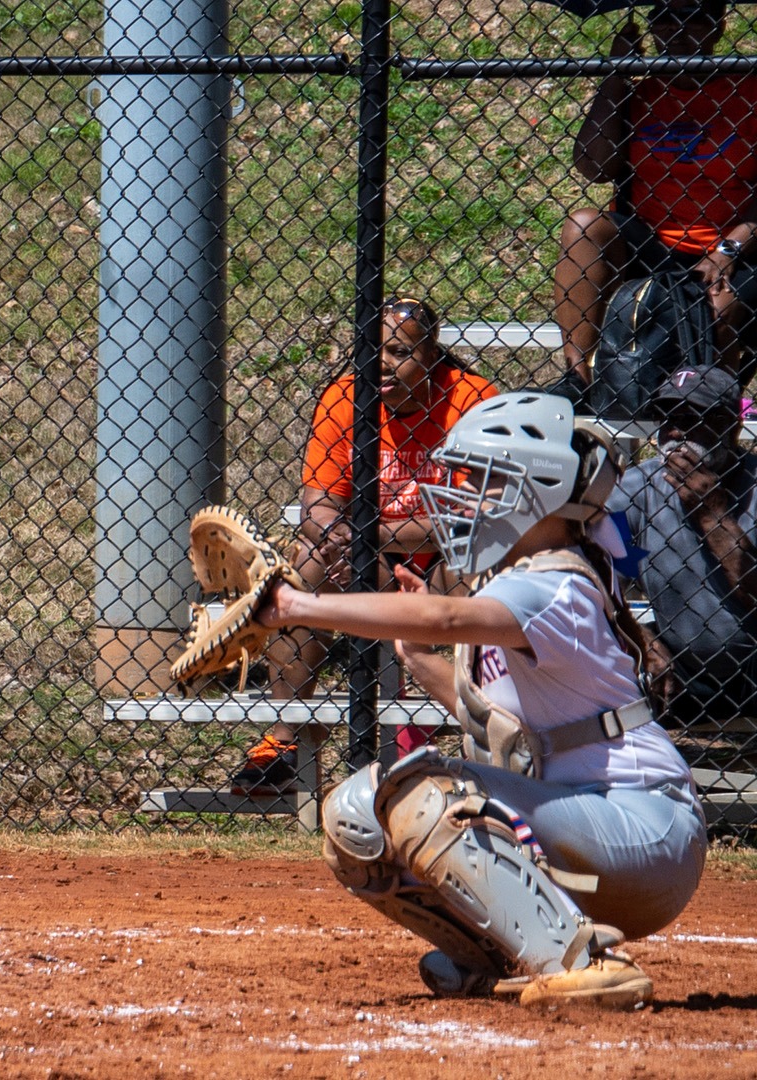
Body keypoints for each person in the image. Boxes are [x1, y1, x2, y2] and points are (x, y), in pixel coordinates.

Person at [257, 392, 706, 1008]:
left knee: (422, 794)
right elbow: (495, 722)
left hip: (647, 830)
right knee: (355, 815)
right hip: (589, 825)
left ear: (539, 496)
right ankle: (498, 954)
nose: (468, 499)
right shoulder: (515, 583)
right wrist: (416, 658)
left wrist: (295, 607)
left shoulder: (553, 582)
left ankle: (582, 962)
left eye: (488, 483)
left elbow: (442, 615)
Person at [232, 297, 497, 794]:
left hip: (447, 560)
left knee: (478, 565)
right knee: (307, 560)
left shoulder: (472, 400)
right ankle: (285, 737)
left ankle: (469, 726)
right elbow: (317, 506)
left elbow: (467, 519)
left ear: (431, 352)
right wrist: (336, 537)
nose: (383, 365)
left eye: (398, 352)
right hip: (371, 561)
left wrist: (363, 531)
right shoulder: (346, 397)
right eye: (373, 352)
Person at [554, 0, 757, 386]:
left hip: (734, 245)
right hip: (649, 241)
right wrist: (616, 75)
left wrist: (729, 249)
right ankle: (577, 379)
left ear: (718, 26)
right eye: (664, 18)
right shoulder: (640, 93)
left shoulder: (749, 91)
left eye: (693, 18)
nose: (677, 30)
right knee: (583, 226)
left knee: (718, 305)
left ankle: (710, 407)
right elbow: (593, 167)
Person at [607, 365, 757, 734]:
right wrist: (638, 635)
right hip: (682, 665)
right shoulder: (640, 485)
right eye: (667, 419)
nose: (674, 432)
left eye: (691, 419)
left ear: (730, 425)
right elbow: (597, 570)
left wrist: (713, 517)